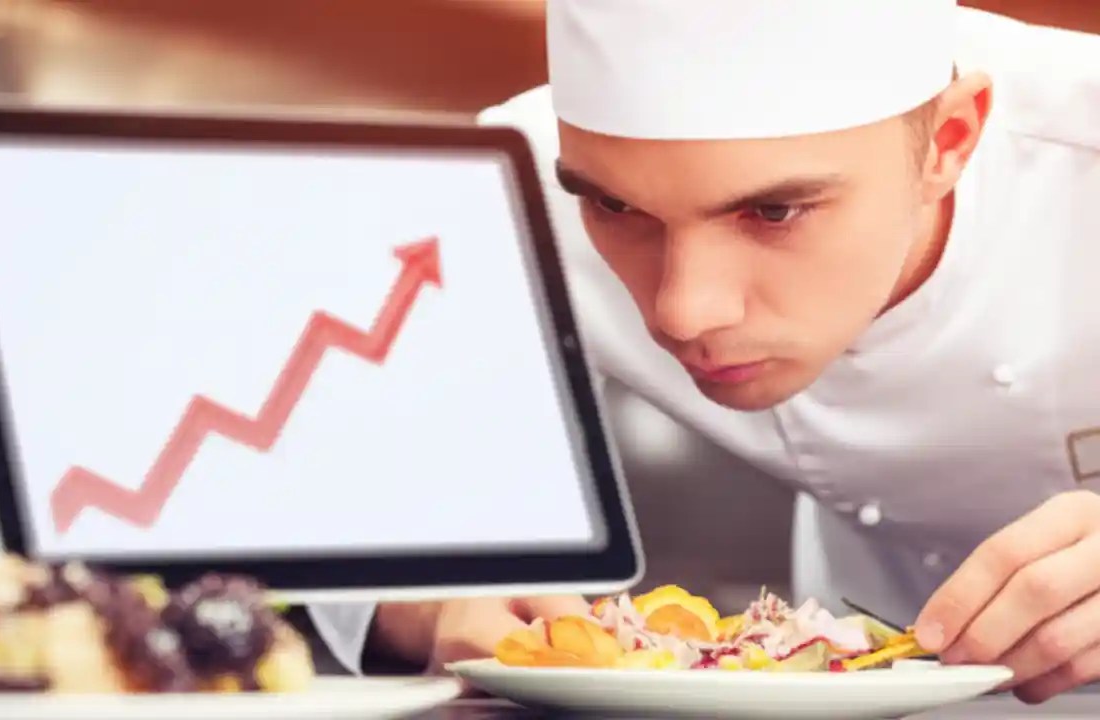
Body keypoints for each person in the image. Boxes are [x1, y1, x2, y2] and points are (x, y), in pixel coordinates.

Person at [306, 0, 1100, 704]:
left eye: (776, 210)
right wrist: (425, 604)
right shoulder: (507, 183)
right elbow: (294, 476)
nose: (683, 311)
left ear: (950, 141)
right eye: (616, 206)